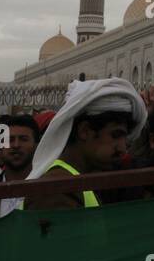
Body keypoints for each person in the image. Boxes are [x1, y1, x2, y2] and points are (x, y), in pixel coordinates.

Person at [25, 78, 147, 211]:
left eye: (125, 140)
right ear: (85, 131)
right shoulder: (56, 189)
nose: (123, 149)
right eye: (115, 135)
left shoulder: (77, 181)